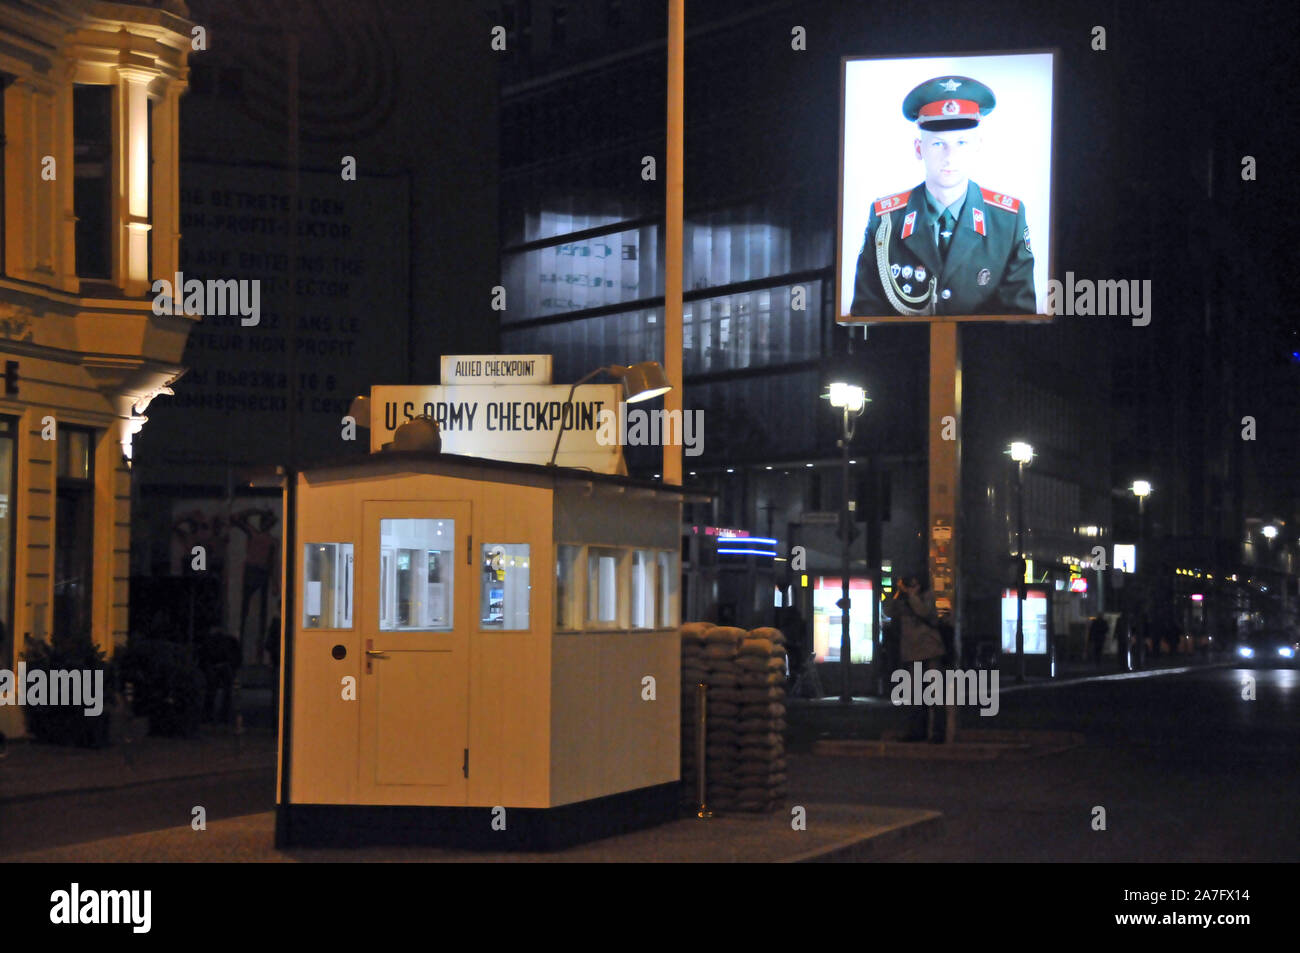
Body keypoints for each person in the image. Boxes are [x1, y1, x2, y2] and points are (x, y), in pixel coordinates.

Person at [850, 75, 1036, 317]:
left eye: (961, 142)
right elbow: (866, 317)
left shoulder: (1007, 220)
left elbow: (1021, 322)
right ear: (919, 149)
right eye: (938, 144)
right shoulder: (886, 219)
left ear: (977, 146)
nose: (950, 156)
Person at [895, 573, 948, 743]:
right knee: (916, 695)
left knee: (934, 692)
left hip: (930, 649)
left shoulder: (929, 596)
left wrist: (912, 595)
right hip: (912, 651)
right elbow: (889, 610)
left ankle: (938, 733)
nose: (912, 587)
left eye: (915, 584)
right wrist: (898, 593)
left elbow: (924, 612)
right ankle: (917, 731)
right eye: (910, 584)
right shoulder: (904, 598)